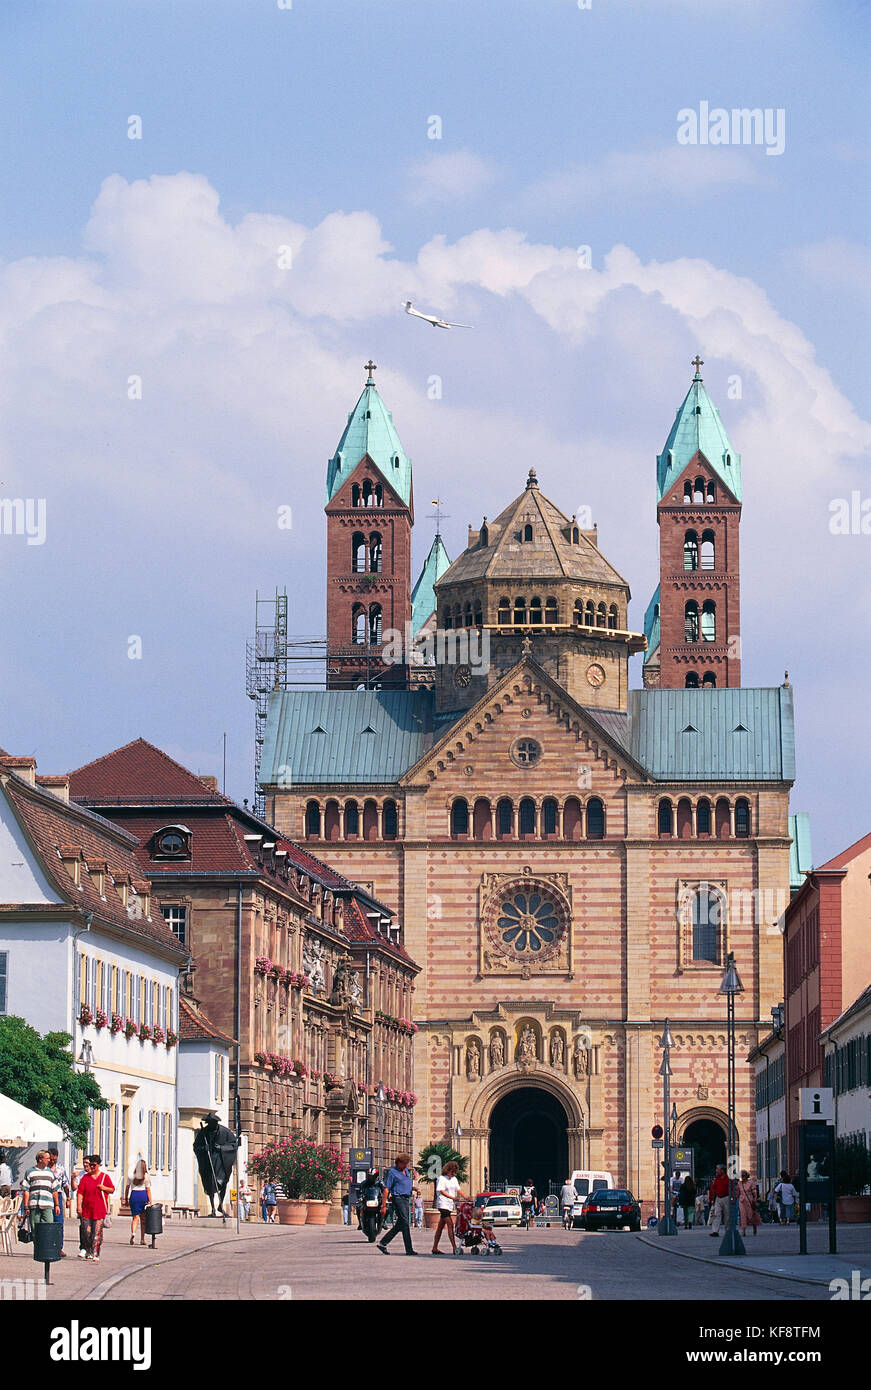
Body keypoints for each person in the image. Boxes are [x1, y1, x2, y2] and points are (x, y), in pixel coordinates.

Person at [378, 1152, 419, 1255]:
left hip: (406, 1199)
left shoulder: (406, 1171)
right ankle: (409, 1249)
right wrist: (383, 1205)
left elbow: (403, 1184)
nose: (405, 1166)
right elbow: (386, 1189)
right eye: (404, 1164)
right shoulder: (392, 1172)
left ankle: (383, 1243)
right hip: (398, 1199)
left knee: (400, 1224)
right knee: (405, 1223)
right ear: (398, 1162)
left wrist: (412, 1188)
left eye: (406, 1164)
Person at [76, 1154, 115, 1262]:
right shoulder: (85, 1178)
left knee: (97, 1232)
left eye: (94, 1165)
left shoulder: (104, 1177)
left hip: (99, 1209)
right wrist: (79, 1206)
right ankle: (88, 1250)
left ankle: (95, 1253)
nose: (92, 1167)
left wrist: (104, 1188)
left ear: (99, 1165)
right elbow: (80, 1193)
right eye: (90, 1165)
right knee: (87, 1232)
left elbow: (112, 1189)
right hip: (87, 1209)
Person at [21, 1150, 61, 1234]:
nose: (49, 1160)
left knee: (48, 1229)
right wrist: (26, 1206)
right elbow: (26, 1190)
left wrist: (57, 1205)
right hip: (34, 1206)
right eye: (47, 1158)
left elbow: (54, 1190)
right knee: (35, 1230)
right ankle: (36, 1242)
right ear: (40, 1159)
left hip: (47, 1205)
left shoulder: (50, 1173)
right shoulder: (30, 1172)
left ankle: (47, 1243)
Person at [431, 1160, 464, 1255]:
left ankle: (434, 1247)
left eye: (454, 1172)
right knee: (450, 1224)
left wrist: (465, 1196)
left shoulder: (454, 1179)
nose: (453, 1174)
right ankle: (454, 1247)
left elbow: (458, 1189)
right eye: (452, 1172)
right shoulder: (441, 1179)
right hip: (442, 1204)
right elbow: (441, 1190)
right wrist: (452, 1197)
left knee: (440, 1227)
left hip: (449, 1205)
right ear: (448, 1170)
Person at [46, 1149, 70, 1255]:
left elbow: (65, 1185)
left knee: (58, 1222)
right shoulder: (44, 1169)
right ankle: (47, 1246)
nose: (52, 1162)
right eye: (50, 1159)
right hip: (46, 1196)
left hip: (58, 1195)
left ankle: (59, 1247)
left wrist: (68, 1198)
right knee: (47, 1221)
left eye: (54, 1160)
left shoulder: (61, 1169)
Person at [124, 1159, 152, 1246]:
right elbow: (148, 1190)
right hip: (143, 1196)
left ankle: (133, 1234)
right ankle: (142, 1239)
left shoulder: (131, 1175)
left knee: (135, 1218)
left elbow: (127, 1188)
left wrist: (126, 1198)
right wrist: (150, 1202)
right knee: (143, 1219)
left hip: (134, 1195)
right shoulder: (146, 1176)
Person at [707, 1164, 730, 1236]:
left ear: (722, 1170)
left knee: (727, 1215)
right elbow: (713, 1189)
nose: (716, 1171)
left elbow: (731, 1188)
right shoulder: (717, 1179)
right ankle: (715, 1231)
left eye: (718, 1169)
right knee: (716, 1214)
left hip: (726, 1197)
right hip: (718, 1198)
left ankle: (728, 1230)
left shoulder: (728, 1178)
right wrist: (712, 1199)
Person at [737, 1170, 761, 1237]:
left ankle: (754, 1226)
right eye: (741, 1176)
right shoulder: (739, 1183)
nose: (742, 1177)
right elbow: (738, 1192)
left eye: (744, 1176)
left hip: (749, 1200)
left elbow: (754, 1191)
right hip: (742, 1201)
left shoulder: (751, 1182)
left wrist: (755, 1198)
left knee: (751, 1215)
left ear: (746, 1176)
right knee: (743, 1215)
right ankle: (743, 1230)